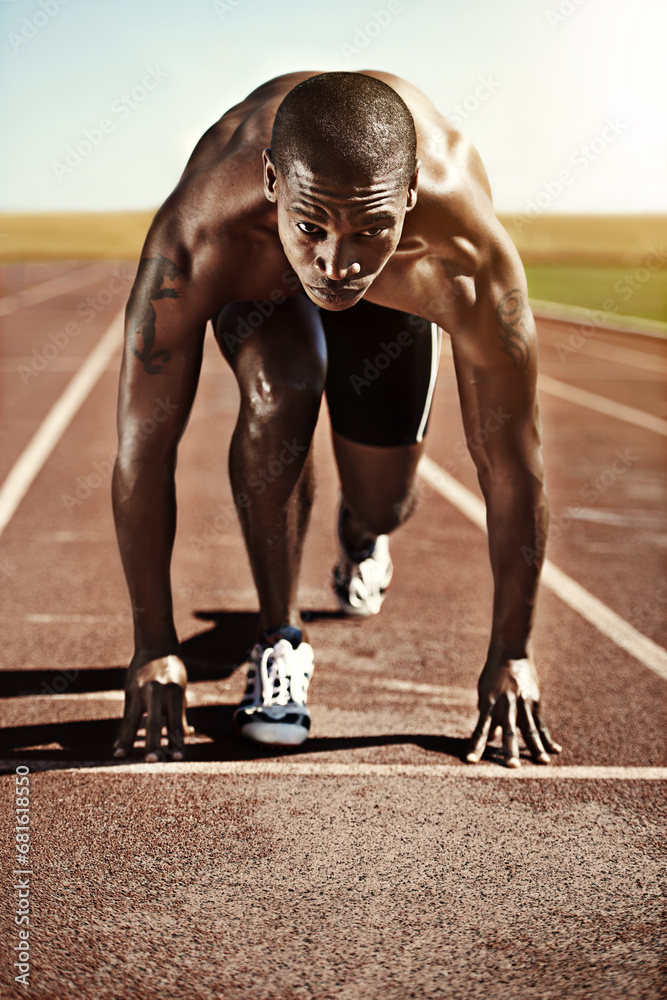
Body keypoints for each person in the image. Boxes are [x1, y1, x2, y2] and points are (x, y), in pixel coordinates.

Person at [111, 70, 562, 768]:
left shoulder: (464, 257)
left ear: (409, 196)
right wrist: (153, 646)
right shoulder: (200, 235)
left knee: (385, 502)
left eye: (369, 228)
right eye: (312, 226)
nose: (336, 264)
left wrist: (513, 653)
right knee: (281, 385)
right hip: (262, 281)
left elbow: (512, 465)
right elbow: (143, 448)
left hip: (401, 291)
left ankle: (361, 534)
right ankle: (277, 639)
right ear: (269, 181)